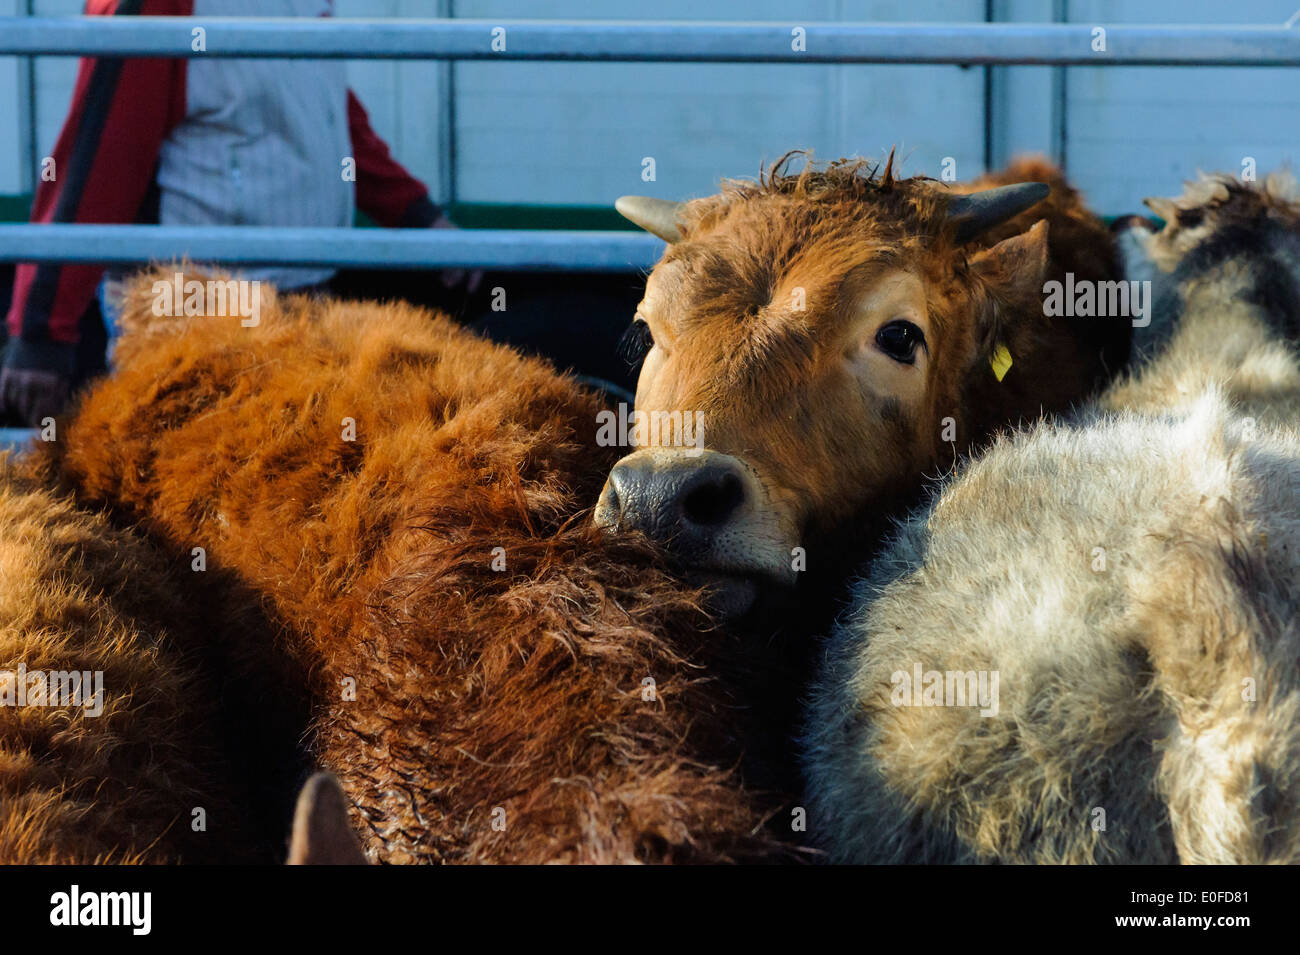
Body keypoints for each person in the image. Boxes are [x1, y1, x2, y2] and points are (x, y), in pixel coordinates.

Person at [1, 0, 472, 426]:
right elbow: (100, 156)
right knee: (196, 484)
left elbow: (321, 116)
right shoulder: (160, 6)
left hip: (305, 300)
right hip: (197, 314)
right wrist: (41, 333)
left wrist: (419, 217)